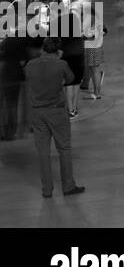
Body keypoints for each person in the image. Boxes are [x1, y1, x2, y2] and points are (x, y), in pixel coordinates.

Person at [27, 38, 85, 198]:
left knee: (43, 153)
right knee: (64, 149)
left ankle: (47, 190)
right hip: (56, 111)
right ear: (58, 51)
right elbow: (71, 79)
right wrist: (59, 61)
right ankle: (68, 186)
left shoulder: (30, 65)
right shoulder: (61, 64)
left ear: (42, 49)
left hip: (37, 112)